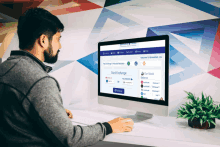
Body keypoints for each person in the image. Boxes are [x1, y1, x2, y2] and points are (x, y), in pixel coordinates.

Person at [0, 7, 134, 147]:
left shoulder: (5, 68)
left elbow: (14, 114)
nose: (60, 46)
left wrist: (50, 111)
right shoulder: (39, 81)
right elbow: (70, 138)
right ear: (44, 40)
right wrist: (109, 127)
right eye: (58, 39)